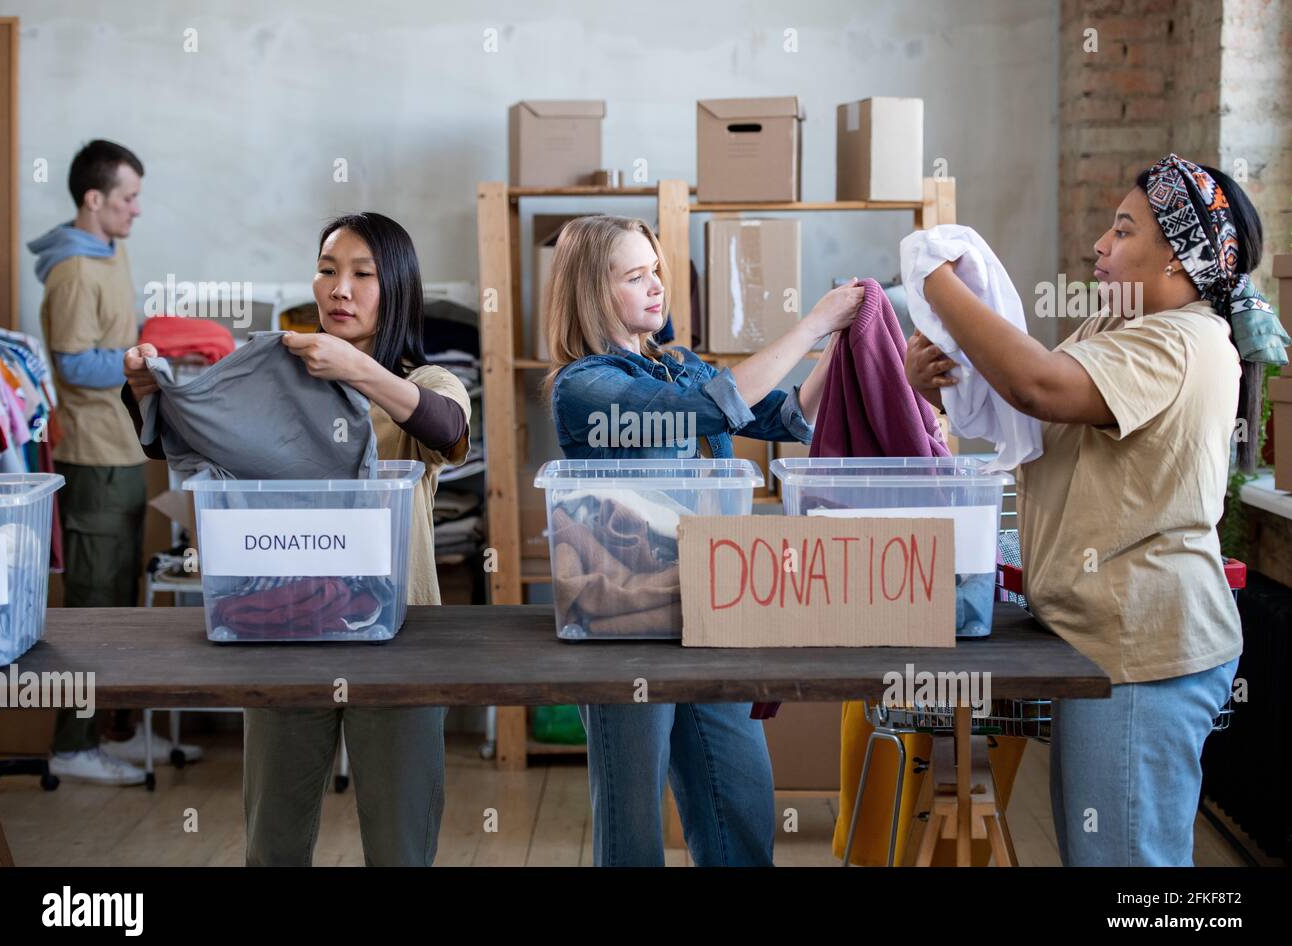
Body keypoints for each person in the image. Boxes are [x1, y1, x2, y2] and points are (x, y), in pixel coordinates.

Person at [903, 154, 1289, 865]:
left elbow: (1037, 388)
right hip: (1105, 642)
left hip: (1144, 649)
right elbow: (1035, 420)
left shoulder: (1181, 341)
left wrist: (934, 280)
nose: (1099, 248)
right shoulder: (1118, 328)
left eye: (1123, 231)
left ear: (1178, 257)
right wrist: (936, 383)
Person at [122, 212, 471, 865]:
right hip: (283, 624)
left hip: (401, 636)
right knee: (274, 838)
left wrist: (355, 370)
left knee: (401, 845)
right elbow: (194, 436)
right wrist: (148, 390)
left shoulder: (425, 383)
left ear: (395, 288)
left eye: (362, 275)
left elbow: (447, 427)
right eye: (328, 269)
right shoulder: (274, 375)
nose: (339, 288)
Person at [544, 214, 862, 865]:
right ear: (590, 291)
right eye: (635, 276)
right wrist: (812, 324)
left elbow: (784, 412)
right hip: (623, 627)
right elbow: (717, 407)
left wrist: (841, 345)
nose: (656, 286)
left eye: (655, 270)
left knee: (740, 805)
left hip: (712, 611)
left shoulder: (677, 365)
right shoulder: (585, 387)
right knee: (632, 825)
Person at [28, 139, 200, 784]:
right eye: (128, 198)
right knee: (94, 604)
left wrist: (161, 345)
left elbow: (117, 339)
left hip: (125, 448)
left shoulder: (111, 250)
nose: (137, 210)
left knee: (123, 598)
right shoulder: (73, 272)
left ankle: (108, 728)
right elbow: (75, 363)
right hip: (92, 455)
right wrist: (152, 357)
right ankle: (71, 746)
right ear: (93, 200)